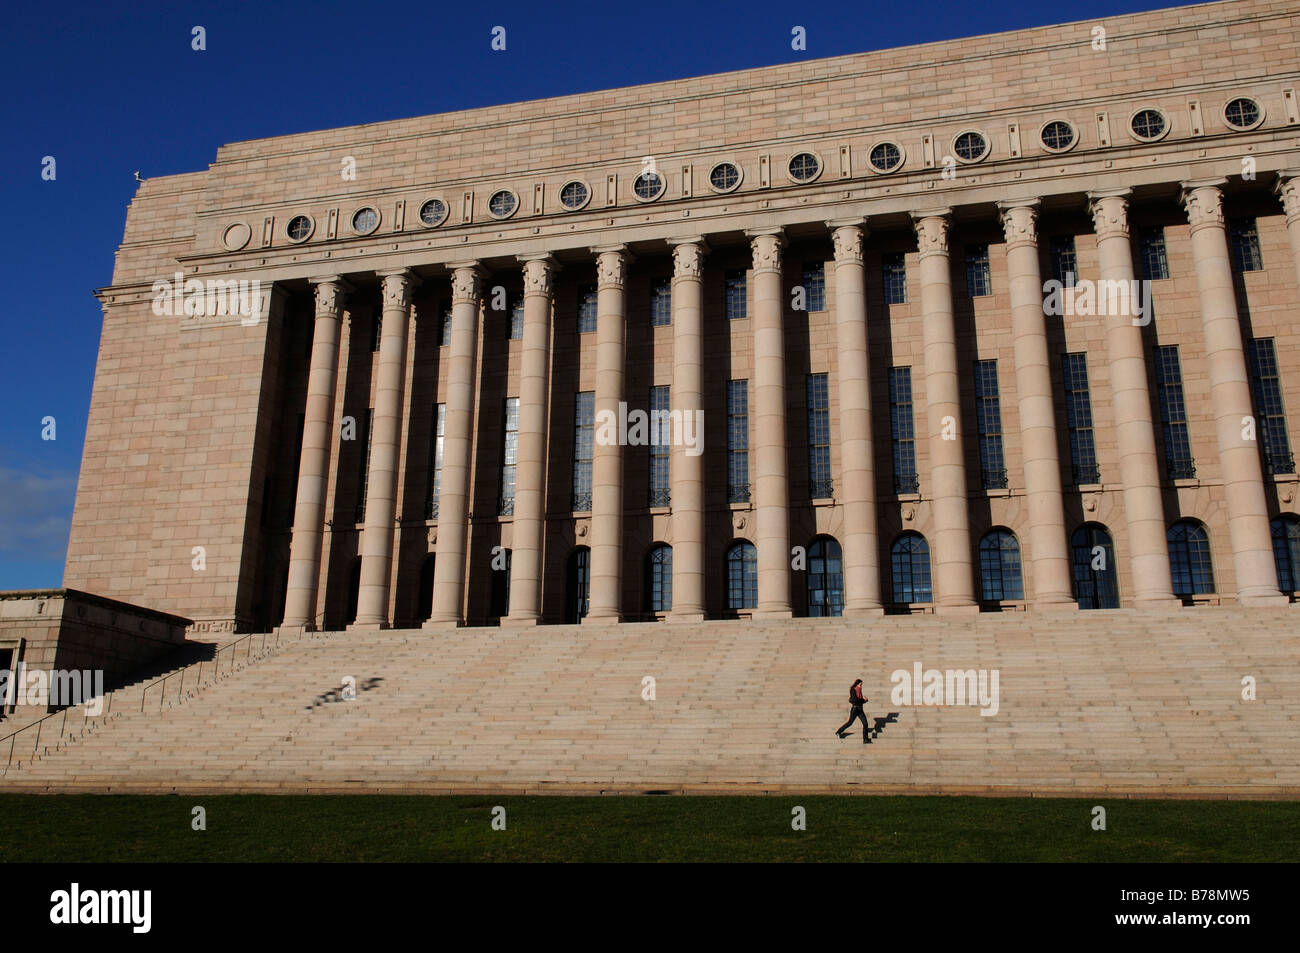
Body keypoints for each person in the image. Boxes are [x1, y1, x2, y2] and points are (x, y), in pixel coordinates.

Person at [836, 679, 872, 743]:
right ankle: (838, 732)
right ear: (857, 684)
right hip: (855, 709)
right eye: (860, 685)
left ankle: (865, 739)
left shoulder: (859, 690)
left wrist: (863, 700)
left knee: (865, 724)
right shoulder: (853, 690)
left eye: (862, 685)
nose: (861, 686)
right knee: (850, 722)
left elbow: (859, 701)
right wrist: (864, 700)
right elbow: (855, 700)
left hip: (860, 709)